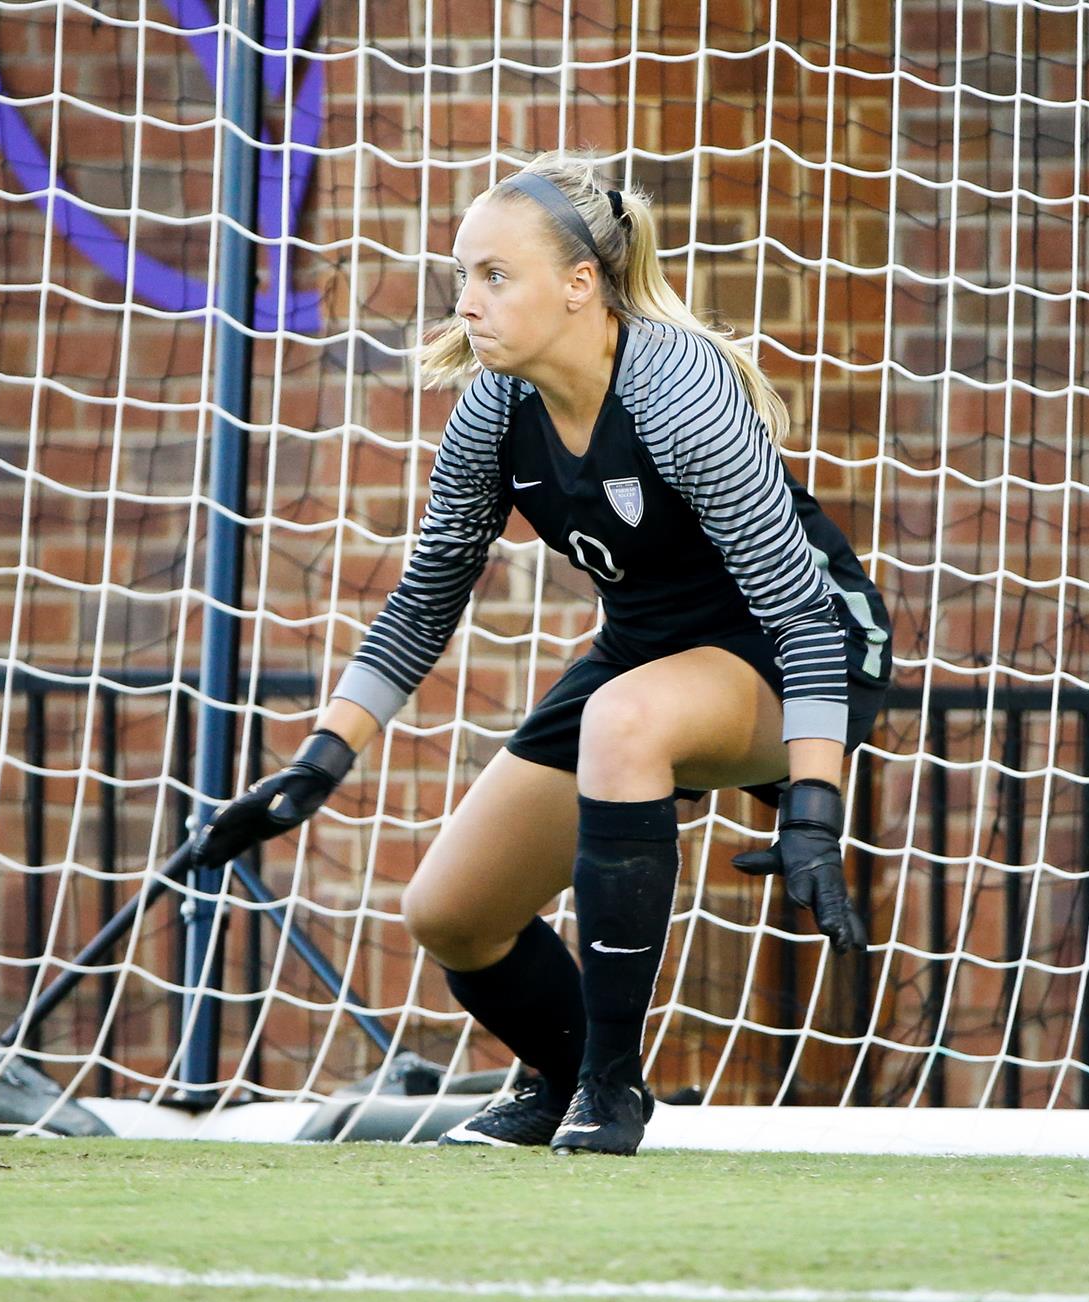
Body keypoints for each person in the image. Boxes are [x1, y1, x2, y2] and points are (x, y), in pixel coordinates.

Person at [189, 151, 892, 1156]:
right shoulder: (491, 407)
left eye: (493, 275)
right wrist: (318, 761)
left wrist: (814, 808)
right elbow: (426, 598)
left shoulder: (672, 386)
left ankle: (612, 1090)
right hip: (644, 659)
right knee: (451, 914)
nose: (464, 302)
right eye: (460, 275)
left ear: (578, 286)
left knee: (623, 716)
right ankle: (561, 1077)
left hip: (803, 653)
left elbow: (801, 612)